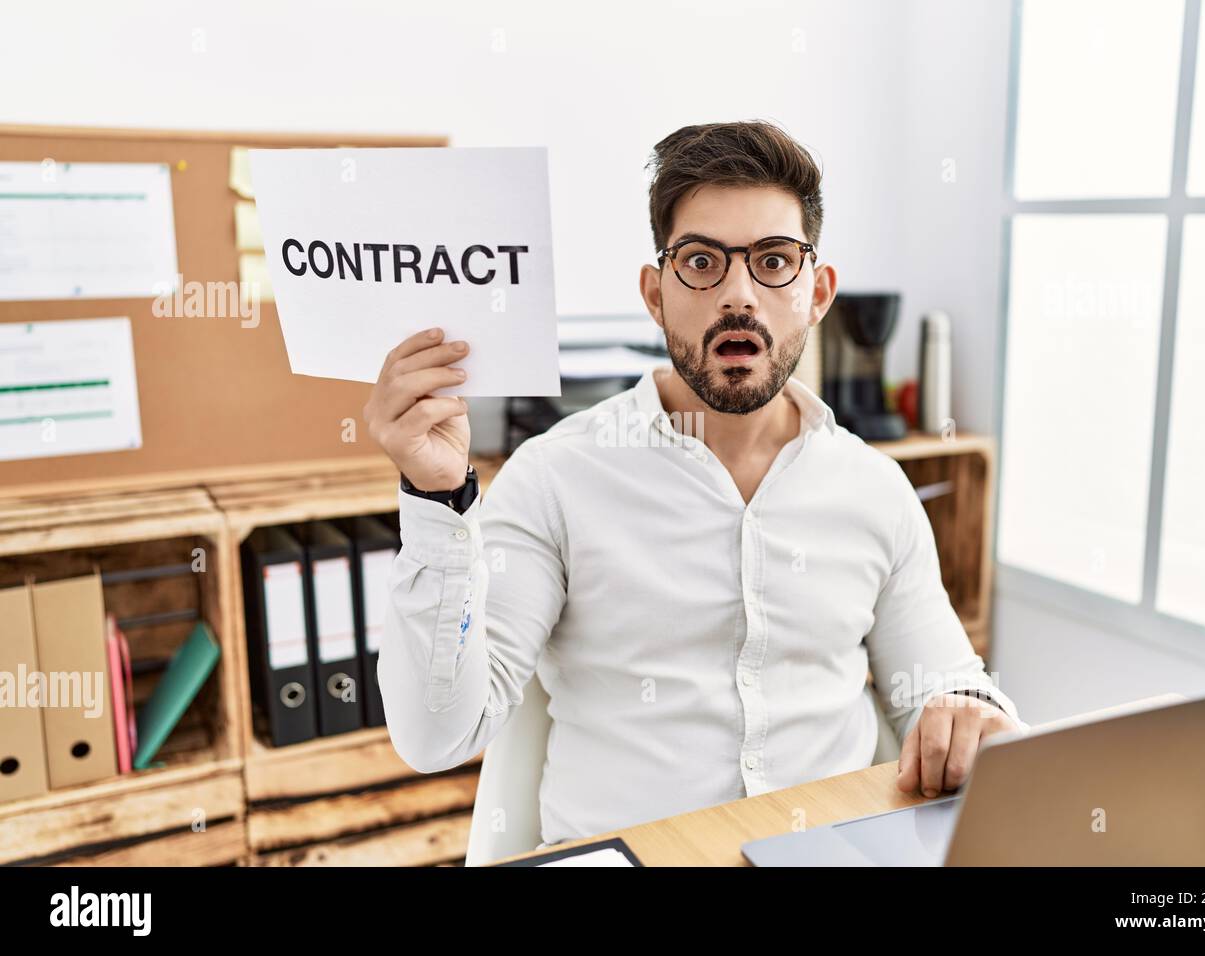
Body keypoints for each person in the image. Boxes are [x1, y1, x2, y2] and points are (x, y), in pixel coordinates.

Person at [365, 120, 1027, 847]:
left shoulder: (876, 491)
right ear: (655, 293)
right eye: (703, 262)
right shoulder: (555, 478)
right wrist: (437, 501)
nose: (737, 295)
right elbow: (436, 737)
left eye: (774, 260)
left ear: (818, 292)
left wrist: (966, 708)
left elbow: (943, 685)